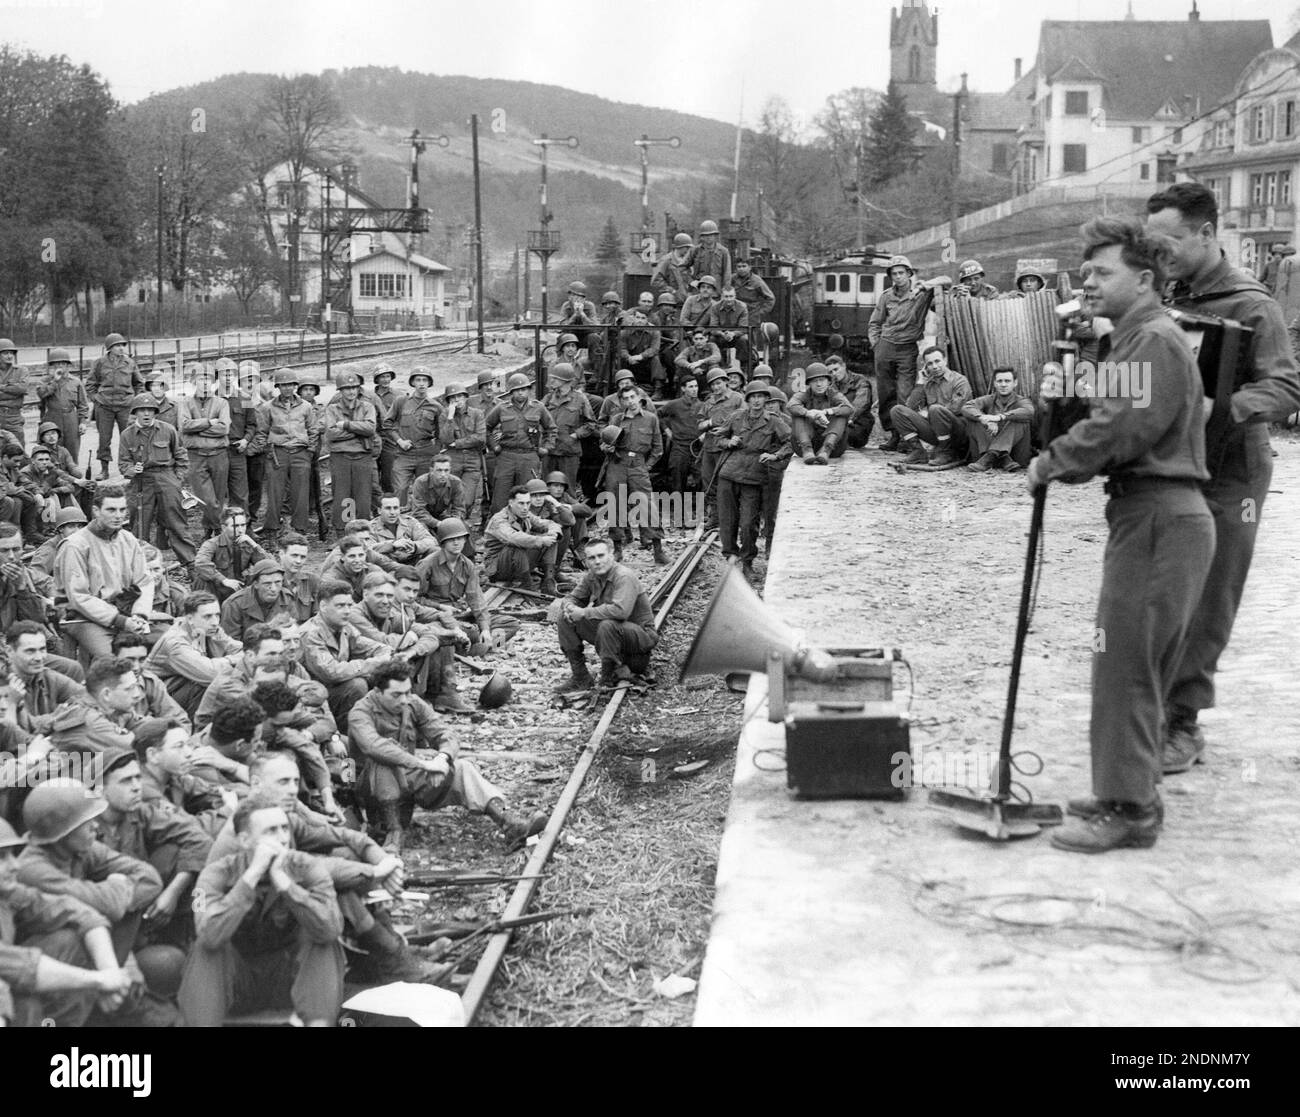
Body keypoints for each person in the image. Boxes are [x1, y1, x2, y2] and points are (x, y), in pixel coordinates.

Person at [1027, 216, 1215, 854]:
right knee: (1129, 661)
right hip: (1151, 517)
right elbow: (1107, 414)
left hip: (1160, 517)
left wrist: (1050, 462)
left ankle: (1130, 808)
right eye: (1084, 275)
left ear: (1145, 278)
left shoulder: (1154, 341)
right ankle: (1124, 788)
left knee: (1126, 665)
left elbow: (1118, 433)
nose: (1088, 284)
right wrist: (1072, 395)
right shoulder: (1136, 339)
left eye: (1102, 273)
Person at [1144, 182, 1300, 771]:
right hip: (1171, 462)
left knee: (1211, 594)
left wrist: (1220, 406)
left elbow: (1287, 386)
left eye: (1173, 241)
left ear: (1208, 234)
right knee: (1163, 585)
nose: (1161, 254)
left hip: (1232, 467)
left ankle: (1182, 721)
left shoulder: (1251, 303)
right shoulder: (1162, 294)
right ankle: (1150, 706)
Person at [179, 793, 345, 1027]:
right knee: (205, 947)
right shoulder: (214, 873)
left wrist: (286, 884)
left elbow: (330, 928)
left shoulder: (307, 866)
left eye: (284, 829)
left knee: (322, 938)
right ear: (245, 840)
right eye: (271, 831)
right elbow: (206, 934)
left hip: (292, 982)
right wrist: (251, 876)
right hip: (236, 985)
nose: (283, 839)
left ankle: (318, 1024)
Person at [348, 660, 545, 852]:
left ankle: (509, 822)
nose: (404, 699)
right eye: (396, 695)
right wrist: (421, 764)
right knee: (384, 761)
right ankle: (392, 835)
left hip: (405, 781)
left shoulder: (412, 703)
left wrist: (442, 757)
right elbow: (374, 747)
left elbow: (445, 734)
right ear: (377, 692)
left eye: (407, 692)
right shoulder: (360, 712)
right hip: (370, 790)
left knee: (462, 768)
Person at [17, 778, 163, 978]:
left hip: (87, 945)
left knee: (127, 909)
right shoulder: (32, 869)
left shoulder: (82, 848)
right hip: (35, 966)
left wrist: (111, 897)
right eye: (86, 823)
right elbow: (102, 907)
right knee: (68, 937)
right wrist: (116, 887)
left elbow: (150, 878)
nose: (95, 827)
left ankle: (110, 982)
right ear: (62, 833)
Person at [94, 747, 210, 996]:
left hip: (144, 913)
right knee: (170, 965)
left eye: (138, 777)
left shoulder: (140, 812)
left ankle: (188, 941)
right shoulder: (85, 829)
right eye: (126, 781)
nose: (137, 786)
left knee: (173, 853)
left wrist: (172, 892)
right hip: (108, 929)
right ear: (99, 788)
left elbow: (198, 839)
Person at [0, 816, 136, 1028]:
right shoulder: (32, 869)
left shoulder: (8, 894)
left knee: (69, 938)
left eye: (12, 855)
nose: (15, 865)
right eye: (1, 857)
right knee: (18, 1001)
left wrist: (110, 973)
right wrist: (99, 980)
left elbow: (78, 913)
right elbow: (21, 966)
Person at [55, 485, 155, 662]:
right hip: (82, 616)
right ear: (96, 511)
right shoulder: (75, 545)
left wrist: (140, 614)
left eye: (122, 509)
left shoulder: (128, 539)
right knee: (118, 659)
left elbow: (144, 581)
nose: (118, 516)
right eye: (111, 510)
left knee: (164, 644)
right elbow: (79, 597)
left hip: (125, 612)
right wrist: (121, 621)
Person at [555, 536, 658, 690]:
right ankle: (580, 676)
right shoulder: (593, 575)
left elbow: (621, 611)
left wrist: (584, 612)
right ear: (586, 561)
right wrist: (569, 607)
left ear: (611, 555)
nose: (597, 561)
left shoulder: (623, 576)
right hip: (613, 641)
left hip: (637, 648)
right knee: (565, 618)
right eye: (591, 558)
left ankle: (607, 679)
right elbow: (574, 596)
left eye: (601, 556)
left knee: (607, 624)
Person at [196, 623, 330, 735]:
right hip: (225, 746)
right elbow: (269, 717)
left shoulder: (278, 672)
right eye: (271, 654)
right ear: (250, 656)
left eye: (280, 653)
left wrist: (311, 735)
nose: (278, 659)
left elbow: (323, 717)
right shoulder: (228, 684)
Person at [716, 382, 790, 575]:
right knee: (727, 520)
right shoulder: (736, 417)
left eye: (761, 397)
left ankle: (747, 560)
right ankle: (730, 556)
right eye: (753, 397)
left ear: (766, 399)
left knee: (749, 522)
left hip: (755, 476)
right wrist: (728, 441)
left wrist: (776, 455)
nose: (757, 401)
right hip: (730, 473)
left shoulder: (773, 421)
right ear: (747, 399)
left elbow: (792, 442)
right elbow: (717, 438)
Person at [118, 393, 197, 565]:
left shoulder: (168, 430)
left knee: (176, 521)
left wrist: (177, 480)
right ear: (135, 413)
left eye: (150, 410)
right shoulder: (127, 435)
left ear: (155, 412)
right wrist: (132, 469)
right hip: (141, 481)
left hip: (166, 477)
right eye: (142, 410)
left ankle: (190, 563)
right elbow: (123, 463)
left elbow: (181, 456)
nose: (146, 414)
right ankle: (139, 565)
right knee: (139, 523)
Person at [416, 520, 518, 652]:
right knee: (470, 631)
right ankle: (475, 647)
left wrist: (485, 629)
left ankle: (491, 647)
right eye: (451, 539)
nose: (456, 543)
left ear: (465, 540)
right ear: (443, 542)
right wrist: (439, 606)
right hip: (437, 617)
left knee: (509, 623)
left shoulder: (467, 565)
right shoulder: (427, 564)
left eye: (460, 538)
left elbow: (476, 600)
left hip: (459, 615)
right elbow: (414, 599)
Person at [300, 579, 394, 720]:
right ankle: (350, 732)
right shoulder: (311, 634)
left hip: (333, 689)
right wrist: (373, 663)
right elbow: (331, 672)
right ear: (323, 606)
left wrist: (384, 655)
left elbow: (373, 646)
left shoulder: (343, 626)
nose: (347, 611)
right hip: (313, 698)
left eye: (349, 605)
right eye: (340, 606)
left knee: (388, 672)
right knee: (357, 685)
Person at [868, 255, 934, 452]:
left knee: (905, 393)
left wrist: (925, 286)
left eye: (901, 273)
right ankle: (894, 436)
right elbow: (875, 322)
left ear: (909, 274)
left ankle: (907, 436)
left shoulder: (922, 293)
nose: (897, 277)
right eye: (894, 274)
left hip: (907, 347)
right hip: (885, 347)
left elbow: (946, 281)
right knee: (885, 392)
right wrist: (876, 345)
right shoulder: (887, 296)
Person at [145, 591, 243, 716]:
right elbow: (211, 673)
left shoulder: (211, 630)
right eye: (207, 616)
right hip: (158, 700)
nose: (215, 621)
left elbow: (240, 649)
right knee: (213, 685)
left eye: (217, 615)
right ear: (190, 618)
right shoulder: (175, 643)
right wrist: (235, 660)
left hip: (183, 689)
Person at [249, 369, 321, 538]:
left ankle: (300, 530)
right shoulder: (268, 407)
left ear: (295, 386)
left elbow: (313, 430)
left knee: (300, 493)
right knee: (275, 494)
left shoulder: (306, 406)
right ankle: (272, 531)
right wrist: (262, 449)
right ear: (278, 387)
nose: (287, 388)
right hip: (277, 453)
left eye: (290, 385)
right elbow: (262, 432)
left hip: (300, 453)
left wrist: (309, 451)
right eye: (283, 385)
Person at [602, 383, 666, 564]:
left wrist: (647, 466)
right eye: (626, 398)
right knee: (615, 505)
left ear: (639, 397)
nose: (630, 401)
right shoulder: (616, 419)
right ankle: (617, 549)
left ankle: (658, 550)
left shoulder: (651, 419)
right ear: (621, 401)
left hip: (638, 465)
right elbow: (605, 441)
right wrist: (606, 447)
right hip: (617, 463)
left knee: (646, 505)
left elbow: (657, 448)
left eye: (632, 397)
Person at [484, 372, 555, 514]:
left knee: (527, 496)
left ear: (529, 390)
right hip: (506, 457)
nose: (521, 393)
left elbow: (551, 429)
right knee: (500, 497)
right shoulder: (502, 408)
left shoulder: (538, 407)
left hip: (529, 456)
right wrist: (494, 446)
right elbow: (486, 427)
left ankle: (526, 529)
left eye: (524, 389)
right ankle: (498, 530)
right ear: (511, 392)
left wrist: (546, 448)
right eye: (517, 390)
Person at [891, 346, 973, 467]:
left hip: (958, 431)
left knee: (935, 409)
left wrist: (930, 413)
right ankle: (918, 451)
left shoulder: (959, 380)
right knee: (897, 411)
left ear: (945, 360)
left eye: (937, 361)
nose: (934, 366)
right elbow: (910, 407)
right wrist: (920, 383)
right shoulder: (927, 383)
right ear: (925, 366)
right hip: (937, 431)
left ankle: (946, 452)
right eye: (929, 363)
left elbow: (956, 408)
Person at [5, 621, 86, 735]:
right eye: (30, 651)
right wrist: (60, 715)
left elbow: (89, 699)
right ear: (9, 651)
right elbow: (10, 735)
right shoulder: (4, 684)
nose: (39, 657)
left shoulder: (48, 677)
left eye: (42, 649)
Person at [323, 371, 379, 535]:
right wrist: (358, 430)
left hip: (362, 457)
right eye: (347, 388)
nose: (351, 391)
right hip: (340, 458)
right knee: (342, 497)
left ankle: (363, 533)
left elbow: (370, 428)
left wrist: (346, 425)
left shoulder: (367, 406)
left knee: (363, 497)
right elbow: (331, 433)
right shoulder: (332, 409)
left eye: (354, 387)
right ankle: (343, 533)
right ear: (340, 390)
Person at [179, 365, 231, 536]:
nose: (205, 383)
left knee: (217, 498)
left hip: (219, 456)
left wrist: (197, 428)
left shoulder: (222, 403)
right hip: (196, 456)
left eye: (208, 379)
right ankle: (218, 529)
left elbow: (224, 429)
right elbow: (185, 427)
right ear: (194, 381)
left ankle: (209, 530)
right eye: (201, 379)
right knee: (206, 499)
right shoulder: (185, 403)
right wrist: (209, 422)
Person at [483, 484, 562, 592]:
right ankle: (526, 585)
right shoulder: (499, 519)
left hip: (519, 562)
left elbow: (546, 523)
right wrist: (540, 540)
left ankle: (549, 580)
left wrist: (553, 533)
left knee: (550, 539)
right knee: (518, 544)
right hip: (498, 568)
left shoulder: (525, 514)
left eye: (528, 503)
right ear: (511, 503)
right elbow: (512, 537)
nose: (525, 507)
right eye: (521, 503)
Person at [87, 335, 143, 480]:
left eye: (123, 345)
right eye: (117, 345)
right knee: (104, 439)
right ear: (110, 348)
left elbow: (139, 383)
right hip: (104, 407)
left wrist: (134, 401)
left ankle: (128, 468)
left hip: (125, 406)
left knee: (129, 438)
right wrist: (96, 400)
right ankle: (104, 470)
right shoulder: (99, 363)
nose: (121, 348)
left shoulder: (130, 363)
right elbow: (90, 384)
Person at [110, 631, 191, 727]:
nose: (136, 667)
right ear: (114, 658)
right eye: (129, 660)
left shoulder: (149, 681)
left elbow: (180, 719)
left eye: (141, 660)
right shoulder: (100, 685)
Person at [193, 504, 272, 600]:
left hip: (238, 589)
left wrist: (254, 545)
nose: (240, 530)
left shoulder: (248, 543)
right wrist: (223, 580)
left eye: (243, 525)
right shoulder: (212, 544)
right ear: (223, 528)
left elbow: (269, 566)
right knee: (202, 579)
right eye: (235, 526)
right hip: (215, 591)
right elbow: (201, 563)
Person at [388, 367, 442, 506]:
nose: (422, 383)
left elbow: (441, 432)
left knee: (425, 492)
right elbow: (387, 424)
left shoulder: (436, 406)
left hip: (426, 455)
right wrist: (399, 441)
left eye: (425, 380)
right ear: (412, 382)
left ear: (429, 383)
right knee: (400, 488)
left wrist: (435, 451)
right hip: (404, 454)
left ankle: (422, 522)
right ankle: (399, 520)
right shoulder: (401, 402)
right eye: (418, 380)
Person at [962, 367, 1034, 472]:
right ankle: (1000, 455)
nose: (1003, 384)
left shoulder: (1021, 401)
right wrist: (984, 419)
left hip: (1014, 458)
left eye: (1007, 381)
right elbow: (967, 407)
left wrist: (1000, 417)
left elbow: (1029, 411)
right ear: (995, 383)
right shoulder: (988, 399)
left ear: (1015, 383)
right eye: (999, 381)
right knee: (975, 418)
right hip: (983, 457)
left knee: (1020, 419)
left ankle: (994, 454)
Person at [437, 382, 486, 530]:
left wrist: (457, 443)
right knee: (449, 496)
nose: (457, 400)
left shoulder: (477, 414)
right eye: (452, 398)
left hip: (472, 460)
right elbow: (445, 439)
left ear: (465, 397)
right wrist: (450, 418)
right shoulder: (445, 415)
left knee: (468, 499)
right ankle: (452, 528)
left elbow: (480, 438)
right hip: (453, 459)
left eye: (460, 396)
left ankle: (460, 526)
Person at [542, 363, 597, 494]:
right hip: (549, 451)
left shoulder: (580, 399)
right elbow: (536, 416)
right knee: (546, 488)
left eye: (555, 378)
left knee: (568, 489)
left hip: (569, 452)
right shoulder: (548, 398)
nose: (552, 381)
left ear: (565, 381)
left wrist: (576, 435)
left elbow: (591, 424)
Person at [788, 362, 852, 465]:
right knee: (798, 414)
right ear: (809, 384)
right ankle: (807, 449)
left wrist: (826, 412)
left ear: (828, 382)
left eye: (822, 380)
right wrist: (809, 413)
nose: (819, 384)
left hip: (833, 448)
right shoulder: (804, 394)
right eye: (814, 381)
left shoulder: (834, 394)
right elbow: (791, 405)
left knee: (841, 415)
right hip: (805, 447)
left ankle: (826, 449)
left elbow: (849, 408)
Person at [219, 559, 296, 641]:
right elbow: (229, 645)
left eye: (278, 582)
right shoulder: (234, 604)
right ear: (256, 584)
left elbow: (294, 633)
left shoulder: (287, 598)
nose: (273, 589)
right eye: (267, 584)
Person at [36, 348, 89, 460]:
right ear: (51, 366)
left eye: (63, 364)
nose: (59, 367)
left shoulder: (75, 382)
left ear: (68, 366)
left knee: (72, 449)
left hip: (71, 417)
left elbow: (83, 404)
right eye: (56, 364)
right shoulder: (44, 381)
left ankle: (72, 474)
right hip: (52, 417)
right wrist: (55, 381)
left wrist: (83, 422)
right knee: (52, 448)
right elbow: (42, 394)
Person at [759, 386, 793, 556]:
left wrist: (777, 456)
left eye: (774, 402)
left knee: (772, 507)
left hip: (777, 466)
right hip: (758, 465)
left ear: (780, 403)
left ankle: (770, 544)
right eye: (768, 402)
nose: (771, 406)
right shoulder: (759, 419)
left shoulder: (786, 421)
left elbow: (792, 443)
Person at [657, 377, 704, 499]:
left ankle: (699, 513)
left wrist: (705, 433)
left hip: (697, 449)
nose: (694, 390)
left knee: (702, 479)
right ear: (683, 388)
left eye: (696, 386)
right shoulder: (675, 404)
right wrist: (667, 430)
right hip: (679, 448)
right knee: (677, 481)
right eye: (691, 387)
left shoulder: (703, 406)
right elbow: (658, 415)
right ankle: (678, 514)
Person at [30, 504, 87, 578]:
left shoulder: (76, 544)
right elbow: (35, 578)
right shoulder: (49, 550)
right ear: (61, 529)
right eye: (71, 526)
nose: (77, 531)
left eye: (80, 526)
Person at [706, 286, 751, 369]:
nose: (729, 299)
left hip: (736, 336)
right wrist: (723, 334)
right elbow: (713, 327)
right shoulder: (715, 307)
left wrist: (733, 334)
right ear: (722, 297)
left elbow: (744, 328)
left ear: (735, 296)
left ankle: (744, 367)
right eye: (726, 296)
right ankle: (719, 366)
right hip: (721, 336)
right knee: (712, 339)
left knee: (744, 339)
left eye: (731, 296)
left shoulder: (742, 307)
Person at [277, 533, 318, 621]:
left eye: (303, 557)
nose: (298, 561)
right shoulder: (271, 582)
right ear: (281, 554)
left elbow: (318, 616)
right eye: (294, 555)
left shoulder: (312, 581)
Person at [618, 309, 661, 393]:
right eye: (637, 317)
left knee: (656, 359)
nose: (640, 321)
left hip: (646, 361)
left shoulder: (654, 331)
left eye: (643, 318)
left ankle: (658, 389)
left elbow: (655, 349)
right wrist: (628, 357)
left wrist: (641, 356)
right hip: (630, 361)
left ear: (647, 320)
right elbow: (622, 348)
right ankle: (621, 388)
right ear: (633, 318)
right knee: (620, 359)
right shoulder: (625, 330)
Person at [649, 292, 682, 396]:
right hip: (654, 346)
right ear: (660, 306)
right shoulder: (653, 318)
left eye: (670, 305)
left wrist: (669, 322)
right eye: (665, 305)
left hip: (668, 348)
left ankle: (673, 384)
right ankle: (658, 388)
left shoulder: (673, 319)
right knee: (656, 358)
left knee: (670, 355)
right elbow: (655, 335)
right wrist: (671, 340)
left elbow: (676, 335)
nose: (667, 308)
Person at [652, 233, 695, 305]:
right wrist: (672, 291)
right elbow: (655, 281)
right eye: (686, 247)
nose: (688, 250)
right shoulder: (666, 260)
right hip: (671, 303)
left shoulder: (688, 262)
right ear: (679, 247)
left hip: (686, 302)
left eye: (689, 248)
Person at [690, 220, 732, 291]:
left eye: (711, 235)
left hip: (716, 290)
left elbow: (727, 273)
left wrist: (725, 290)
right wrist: (691, 281)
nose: (708, 237)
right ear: (702, 237)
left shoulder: (723, 251)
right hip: (699, 290)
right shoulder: (695, 250)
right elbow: (683, 267)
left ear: (715, 236)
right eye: (706, 235)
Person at [731, 257, 775, 325]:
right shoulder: (732, 279)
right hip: (735, 314)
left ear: (750, 267)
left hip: (751, 316)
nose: (741, 269)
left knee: (751, 334)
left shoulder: (756, 281)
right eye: (739, 266)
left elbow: (770, 299)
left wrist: (759, 314)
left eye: (744, 266)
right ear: (736, 268)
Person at [0, 340, 26, 445]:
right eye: (5, 353)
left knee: (18, 449)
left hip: (14, 417)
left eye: (11, 353)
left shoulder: (21, 370)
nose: (9, 356)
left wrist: (1, 388)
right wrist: (12, 390)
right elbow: (17, 390)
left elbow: (22, 389)